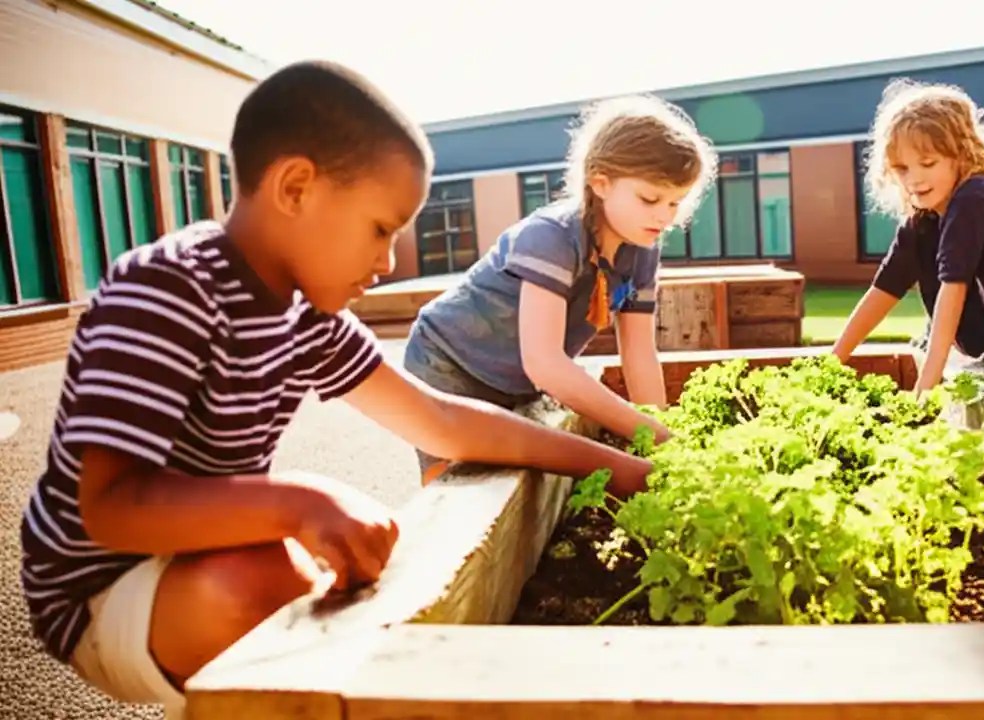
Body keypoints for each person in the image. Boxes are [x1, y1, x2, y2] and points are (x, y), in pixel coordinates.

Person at [19, 60, 652, 715]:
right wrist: (298, 500)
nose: (385, 263)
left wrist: (616, 466)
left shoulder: (306, 316)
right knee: (270, 583)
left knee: (335, 583)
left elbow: (442, 420)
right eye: (380, 229)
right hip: (100, 581)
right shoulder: (167, 289)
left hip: (199, 552)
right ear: (296, 187)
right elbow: (111, 508)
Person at [403, 95, 717, 484]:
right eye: (650, 198)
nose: (665, 216)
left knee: (512, 476)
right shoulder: (551, 238)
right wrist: (650, 431)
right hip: (448, 363)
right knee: (458, 484)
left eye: (675, 203)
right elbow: (545, 364)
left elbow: (638, 354)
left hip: (515, 379)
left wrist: (662, 435)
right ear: (600, 182)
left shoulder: (642, 253)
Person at [833, 79, 984, 393]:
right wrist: (832, 362)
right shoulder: (924, 216)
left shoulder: (975, 196)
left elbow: (953, 292)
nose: (915, 179)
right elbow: (884, 289)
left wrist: (924, 393)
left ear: (962, 154)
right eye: (902, 168)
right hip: (977, 352)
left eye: (928, 163)